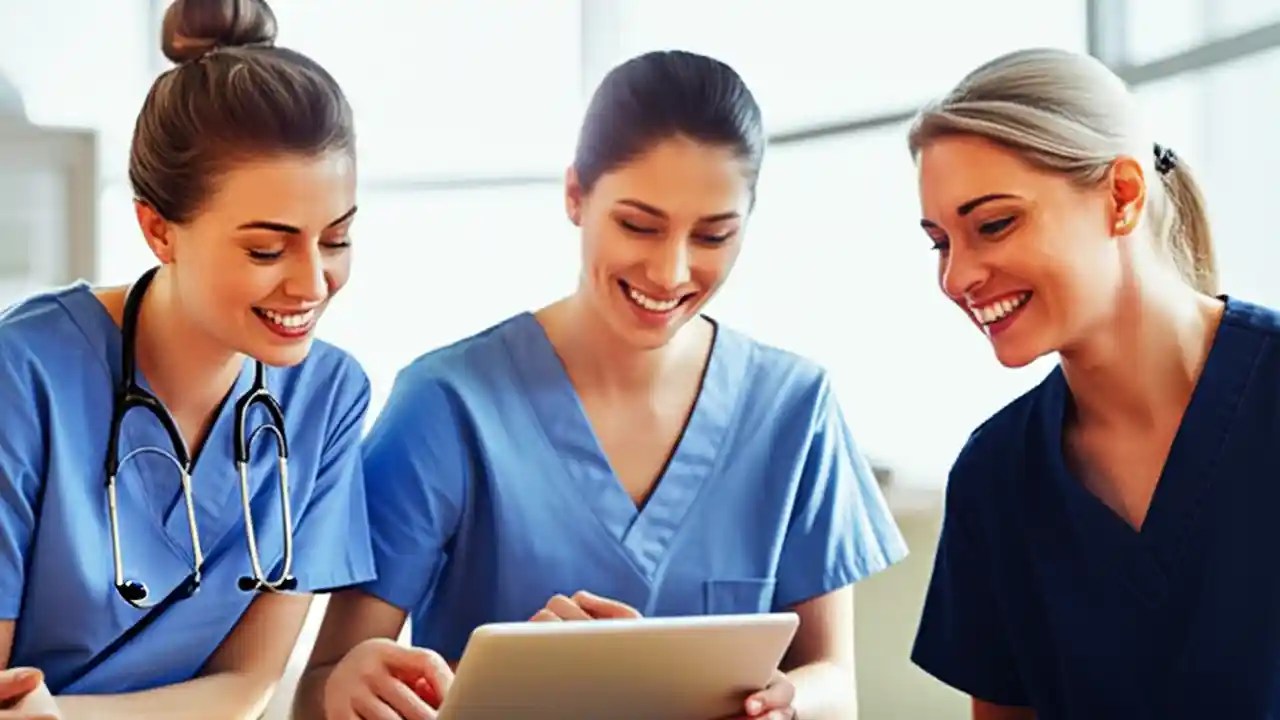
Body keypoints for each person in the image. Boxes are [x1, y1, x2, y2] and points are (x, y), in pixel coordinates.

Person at [293, 49, 908, 720]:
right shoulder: (446, 405)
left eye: (713, 235)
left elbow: (835, 686)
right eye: (639, 225)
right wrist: (477, 678)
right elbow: (318, 691)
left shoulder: (796, 410)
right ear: (575, 196)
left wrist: (785, 704)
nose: (672, 272)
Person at [0, 0, 375, 716]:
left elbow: (246, 685)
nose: (312, 283)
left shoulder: (327, 397)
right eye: (266, 249)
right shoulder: (22, 377)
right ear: (157, 230)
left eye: (335, 240)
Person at [907, 46, 1280, 720]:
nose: (957, 278)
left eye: (994, 224)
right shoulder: (995, 478)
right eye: (941, 241)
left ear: (1122, 196)